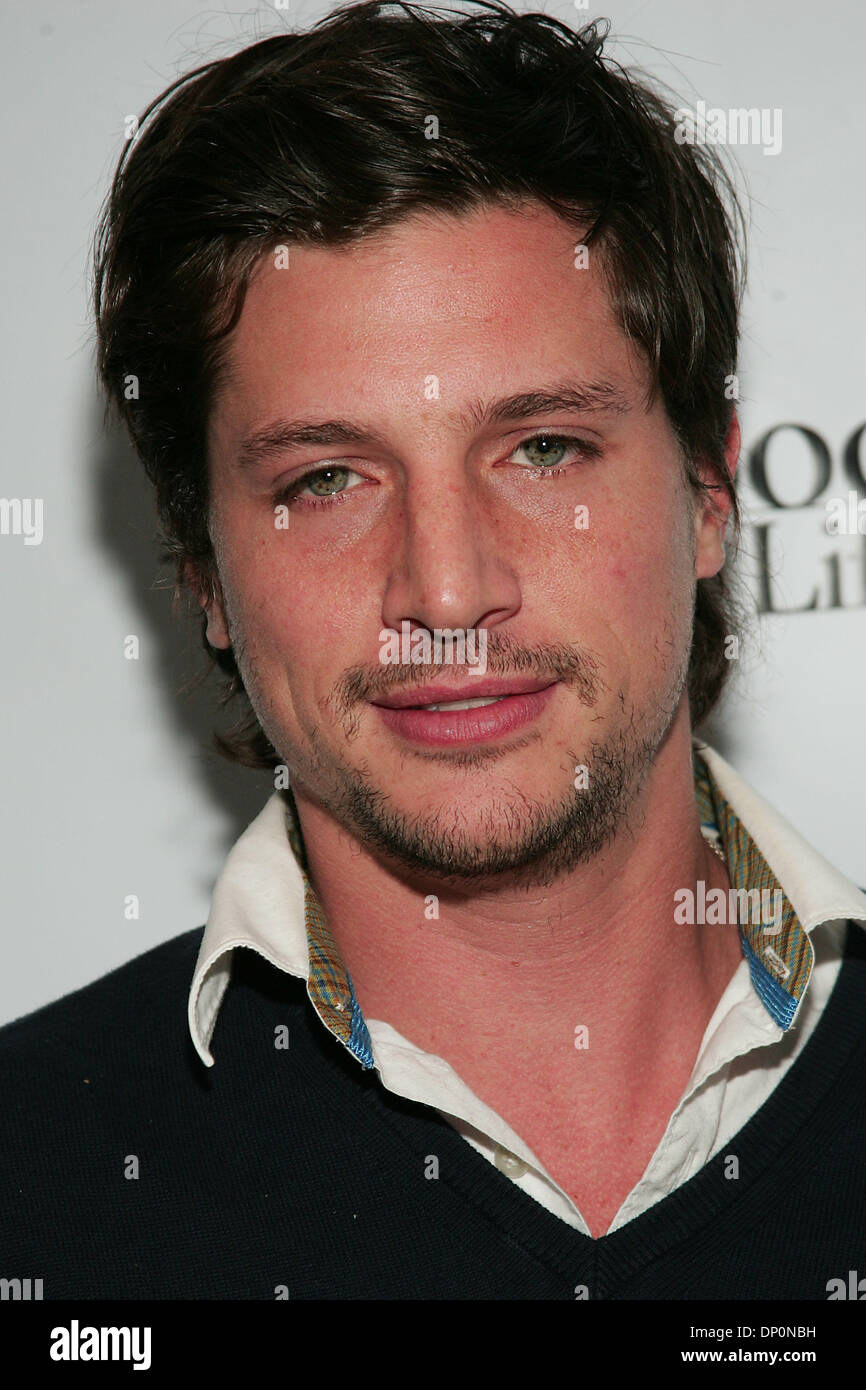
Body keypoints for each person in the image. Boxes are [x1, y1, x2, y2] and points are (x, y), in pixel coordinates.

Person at [2, 0, 865, 1301]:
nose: (447, 587)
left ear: (705, 489)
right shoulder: (33, 1193)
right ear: (204, 575)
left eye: (541, 448)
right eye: (328, 476)